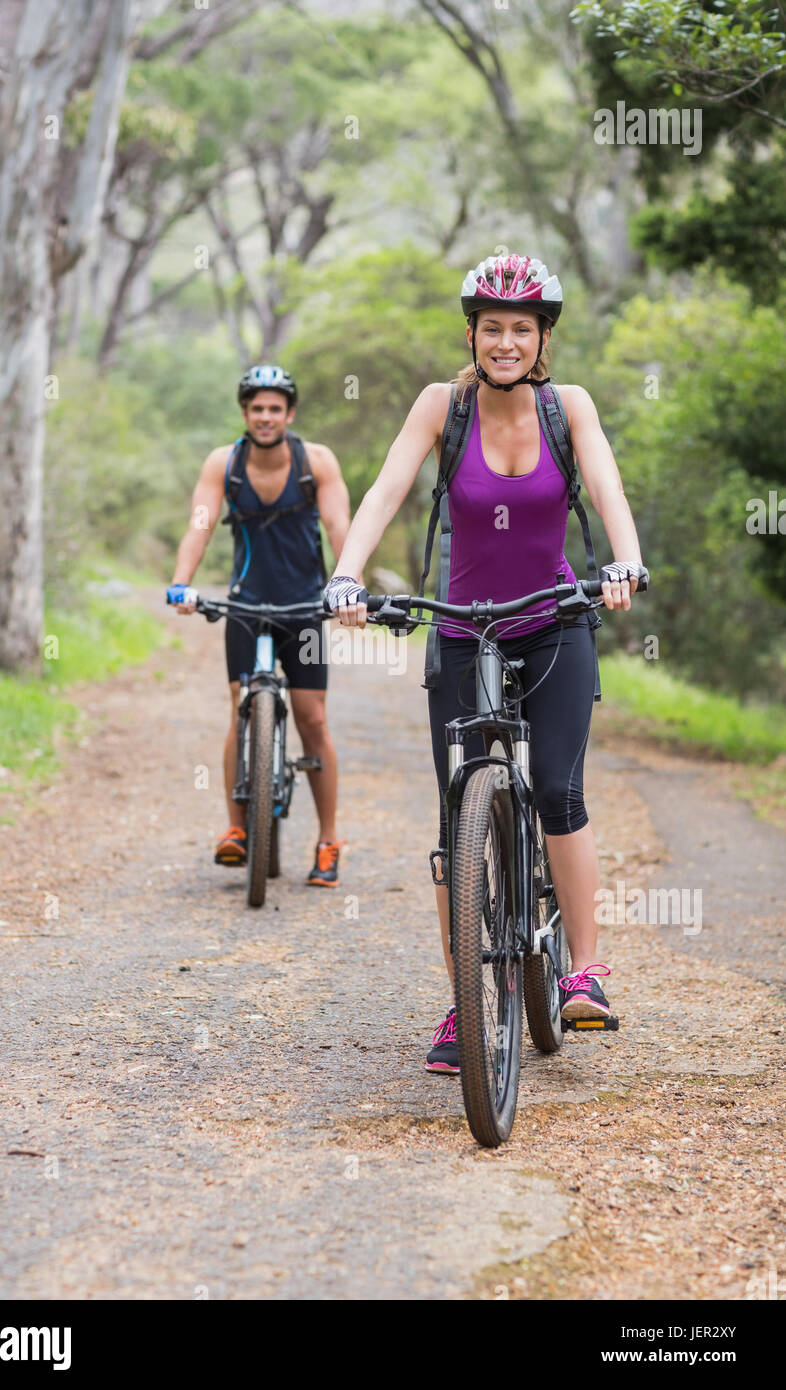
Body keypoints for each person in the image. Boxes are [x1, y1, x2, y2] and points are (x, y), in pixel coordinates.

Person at [324, 253, 647, 1071]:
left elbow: (606, 489)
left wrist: (624, 561)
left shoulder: (567, 407)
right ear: (472, 333)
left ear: (542, 341)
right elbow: (384, 490)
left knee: (558, 790)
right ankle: (466, 1002)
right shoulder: (444, 406)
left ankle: (582, 971)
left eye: (523, 330)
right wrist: (348, 572)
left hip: (554, 623)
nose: (507, 342)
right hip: (464, 631)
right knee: (454, 816)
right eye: (493, 328)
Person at [169, 364, 351, 887]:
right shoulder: (223, 464)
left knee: (312, 718)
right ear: (245, 414)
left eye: (275, 408)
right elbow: (199, 526)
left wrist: (349, 584)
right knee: (239, 705)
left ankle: (328, 839)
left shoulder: (315, 462)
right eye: (257, 409)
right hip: (246, 606)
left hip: (305, 608)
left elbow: (340, 527)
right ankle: (236, 829)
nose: (266, 417)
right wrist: (182, 582)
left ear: (289, 413)